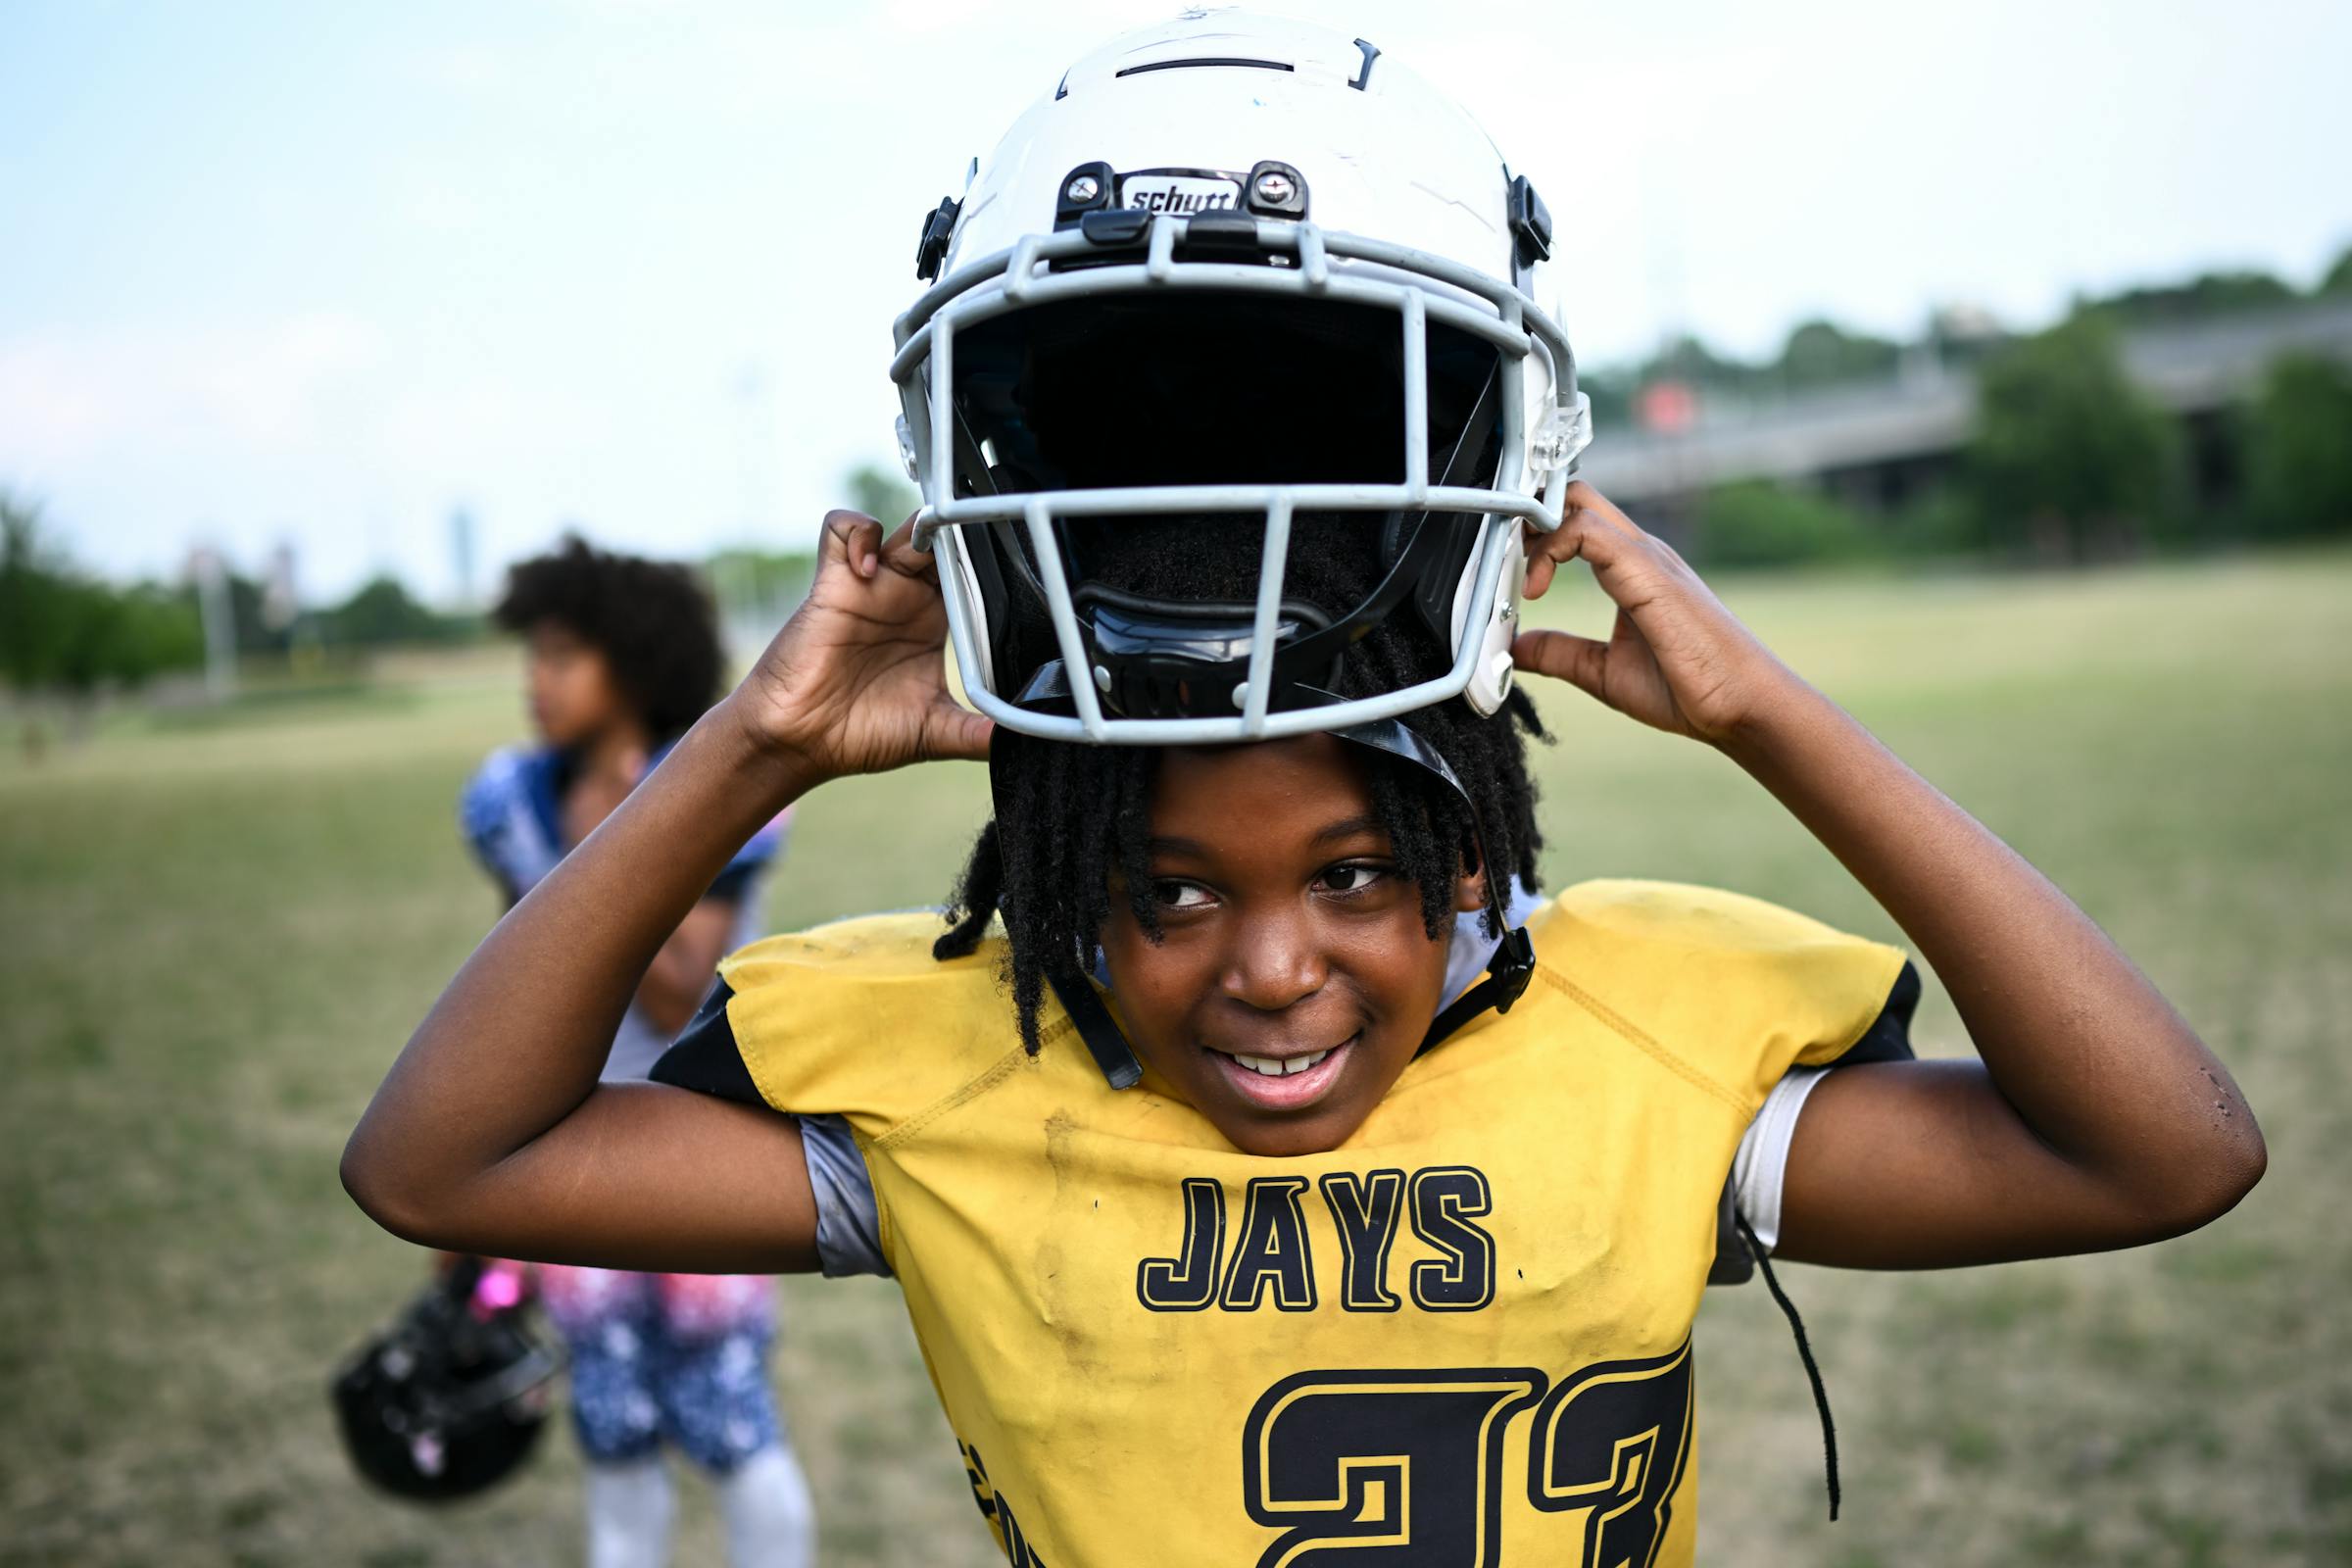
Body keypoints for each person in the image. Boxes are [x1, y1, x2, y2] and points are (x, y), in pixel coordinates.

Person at [344, 17, 2264, 1564]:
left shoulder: (1639, 1046)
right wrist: (749, 741)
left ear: (1462, 858)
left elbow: (2164, 1149)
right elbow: (441, 1164)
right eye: (1169, 892)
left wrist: (1773, 714)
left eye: (1354, 873)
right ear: (1064, 890)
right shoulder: (958, 1079)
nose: (1274, 966)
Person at [455, 537, 813, 1568]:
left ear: (636, 661)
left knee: (732, 1422)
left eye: (563, 655)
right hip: (571, 1159)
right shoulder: (514, 799)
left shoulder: (709, 787)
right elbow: (510, 986)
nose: (536, 680)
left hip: (704, 1149)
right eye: (534, 655)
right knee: (610, 1432)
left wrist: (631, 830)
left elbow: (679, 983)